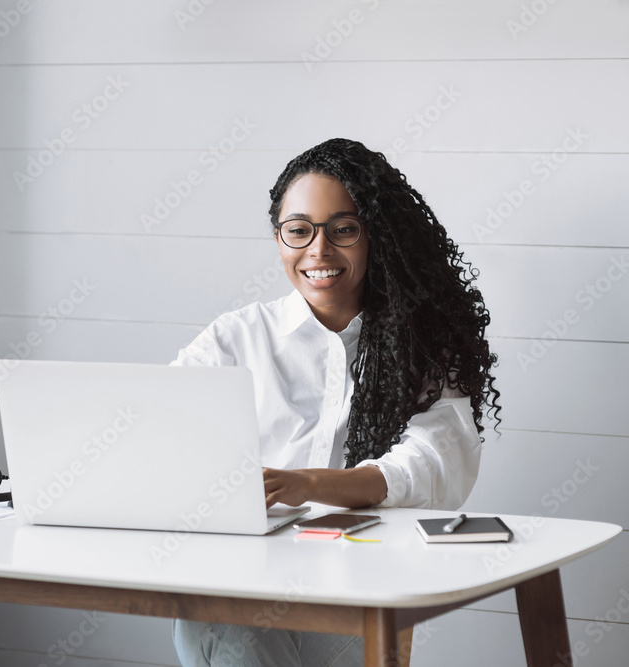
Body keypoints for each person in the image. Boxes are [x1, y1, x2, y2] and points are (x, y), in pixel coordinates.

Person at [169, 138, 501, 667]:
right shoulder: (236, 339)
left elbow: (435, 462)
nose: (318, 251)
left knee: (232, 626)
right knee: (229, 616)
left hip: (354, 592)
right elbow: (160, 430)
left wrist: (306, 485)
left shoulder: (418, 346)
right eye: (298, 230)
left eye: (343, 230)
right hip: (240, 578)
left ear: (377, 237)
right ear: (279, 238)